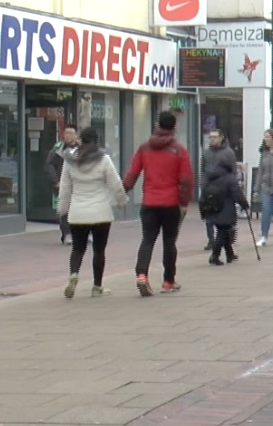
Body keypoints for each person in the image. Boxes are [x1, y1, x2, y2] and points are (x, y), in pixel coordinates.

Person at [123, 110, 194, 296]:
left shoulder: (145, 148)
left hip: (149, 203)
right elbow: (186, 179)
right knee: (169, 242)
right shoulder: (179, 150)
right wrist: (184, 201)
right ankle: (168, 281)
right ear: (174, 127)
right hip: (171, 203)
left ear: (157, 125)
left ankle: (141, 275)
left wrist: (123, 190)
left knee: (147, 239)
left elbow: (132, 173)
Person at [57, 127, 127, 298]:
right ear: (97, 140)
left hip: (77, 213)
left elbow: (65, 187)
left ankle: (74, 274)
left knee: (77, 249)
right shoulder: (104, 159)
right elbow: (115, 183)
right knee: (99, 250)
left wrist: (62, 209)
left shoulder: (69, 161)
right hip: (100, 213)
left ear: (80, 140)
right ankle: (97, 286)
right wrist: (122, 201)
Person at [200, 156, 248, 265]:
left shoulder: (212, 177)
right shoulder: (230, 178)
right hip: (225, 209)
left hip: (212, 209)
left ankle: (229, 254)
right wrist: (244, 204)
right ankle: (215, 256)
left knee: (224, 230)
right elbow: (237, 194)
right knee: (222, 232)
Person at [200, 129, 237, 250]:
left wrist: (232, 188)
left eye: (215, 137)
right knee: (209, 217)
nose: (212, 139)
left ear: (221, 138)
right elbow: (203, 170)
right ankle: (211, 240)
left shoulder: (228, 153)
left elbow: (233, 171)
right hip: (209, 189)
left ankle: (223, 241)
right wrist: (203, 187)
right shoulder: (206, 153)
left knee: (223, 218)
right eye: (210, 137)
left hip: (223, 190)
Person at [46, 125, 81, 244]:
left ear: (76, 135)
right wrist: (56, 181)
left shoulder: (82, 149)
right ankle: (67, 234)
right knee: (65, 210)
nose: (68, 136)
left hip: (79, 184)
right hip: (63, 185)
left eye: (71, 133)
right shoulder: (58, 149)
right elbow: (50, 166)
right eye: (66, 133)